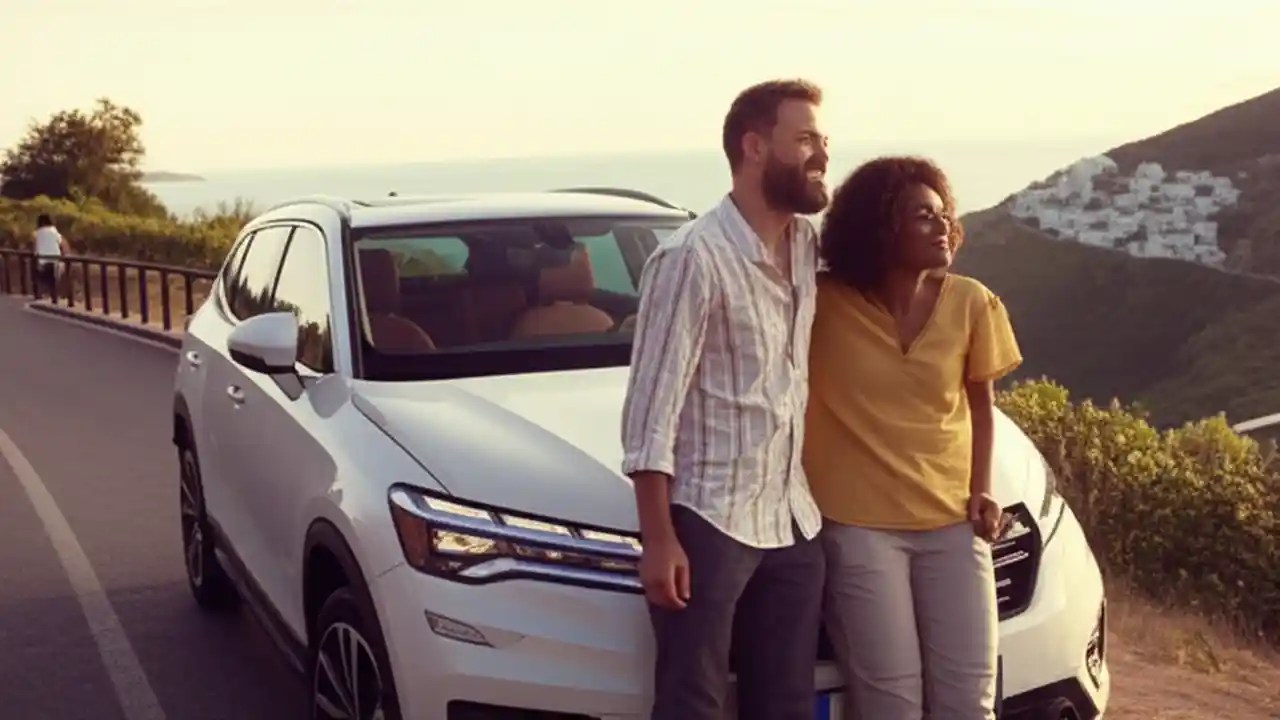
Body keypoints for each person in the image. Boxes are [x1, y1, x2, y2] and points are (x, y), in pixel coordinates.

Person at [620, 78, 831, 720]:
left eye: (824, 141)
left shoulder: (806, 248)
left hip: (792, 521)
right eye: (805, 141)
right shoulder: (693, 259)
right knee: (694, 703)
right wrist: (659, 538)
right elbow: (650, 413)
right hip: (710, 522)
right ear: (755, 147)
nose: (821, 155)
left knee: (786, 705)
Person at [803, 156, 1023, 720]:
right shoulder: (821, 303)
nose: (943, 225)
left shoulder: (972, 301)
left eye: (944, 213)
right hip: (858, 527)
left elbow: (980, 404)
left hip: (953, 521)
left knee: (968, 700)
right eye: (923, 215)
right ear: (881, 228)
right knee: (890, 702)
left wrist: (982, 489)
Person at [32, 213, 69, 297]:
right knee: (58, 276)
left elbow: (35, 247)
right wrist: (66, 255)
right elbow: (63, 244)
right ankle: (59, 295)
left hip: (42, 260)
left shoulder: (36, 233)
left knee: (39, 275)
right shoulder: (54, 231)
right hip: (56, 259)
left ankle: (41, 293)